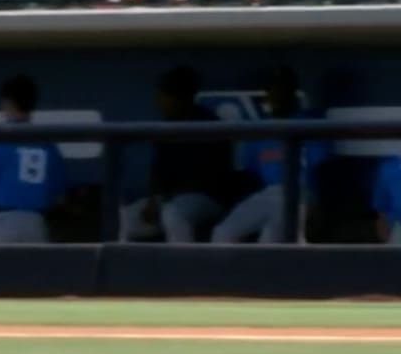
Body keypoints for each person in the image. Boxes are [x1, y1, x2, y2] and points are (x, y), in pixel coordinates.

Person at [212, 67, 328, 244]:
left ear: (292, 92)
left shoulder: (310, 122)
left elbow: (322, 170)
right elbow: (249, 176)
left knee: (269, 239)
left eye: (282, 89)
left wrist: (318, 205)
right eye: (272, 89)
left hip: (300, 192)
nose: (277, 94)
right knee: (222, 233)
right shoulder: (260, 129)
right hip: (268, 193)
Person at [121, 66, 236, 242]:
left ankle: (183, 267)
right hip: (170, 198)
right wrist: (153, 201)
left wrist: (165, 200)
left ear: (183, 97)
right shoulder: (165, 128)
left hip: (209, 197)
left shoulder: (209, 124)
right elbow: (157, 171)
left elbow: (211, 178)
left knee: (173, 214)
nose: (159, 100)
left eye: (166, 95)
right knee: (124, 220)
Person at [0, 75, 65, 244]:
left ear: (7, 102)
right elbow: (58, 196)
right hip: (35, 221)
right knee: (33, 270)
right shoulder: (48, 145)